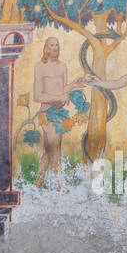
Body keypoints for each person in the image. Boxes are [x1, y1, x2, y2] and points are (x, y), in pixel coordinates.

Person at [33, 37, 87, 187]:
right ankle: (60, 186)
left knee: (50, 149)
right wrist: (59, 96)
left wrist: (76, 83)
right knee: (55, 149)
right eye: (52, 45)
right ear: (46, 48)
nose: (55, 48)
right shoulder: (40, 67)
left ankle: (39, 182)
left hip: (60, 112)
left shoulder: (62, 66)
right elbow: (37, 96)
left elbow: (63, 90)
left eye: (57, 45)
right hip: (46, 113)